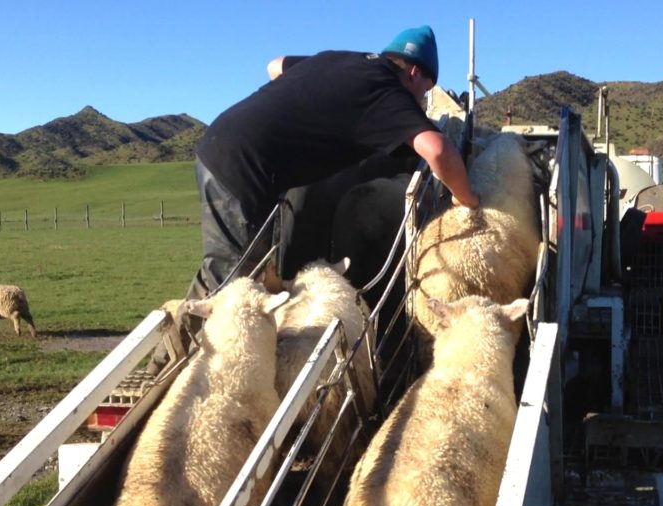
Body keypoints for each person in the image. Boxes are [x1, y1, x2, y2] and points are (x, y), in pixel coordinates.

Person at [186, 24, 480, 301]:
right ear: (414, 72)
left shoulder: (341, 61)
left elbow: (275, 65)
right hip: (245, 166)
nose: (420, 101)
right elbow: (439, 150)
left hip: (222, 143)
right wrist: (465, 200)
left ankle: (176, 345)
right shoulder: (388, 91)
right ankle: (174, 354)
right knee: (234, 292)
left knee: (224, 271)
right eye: (425, 92)